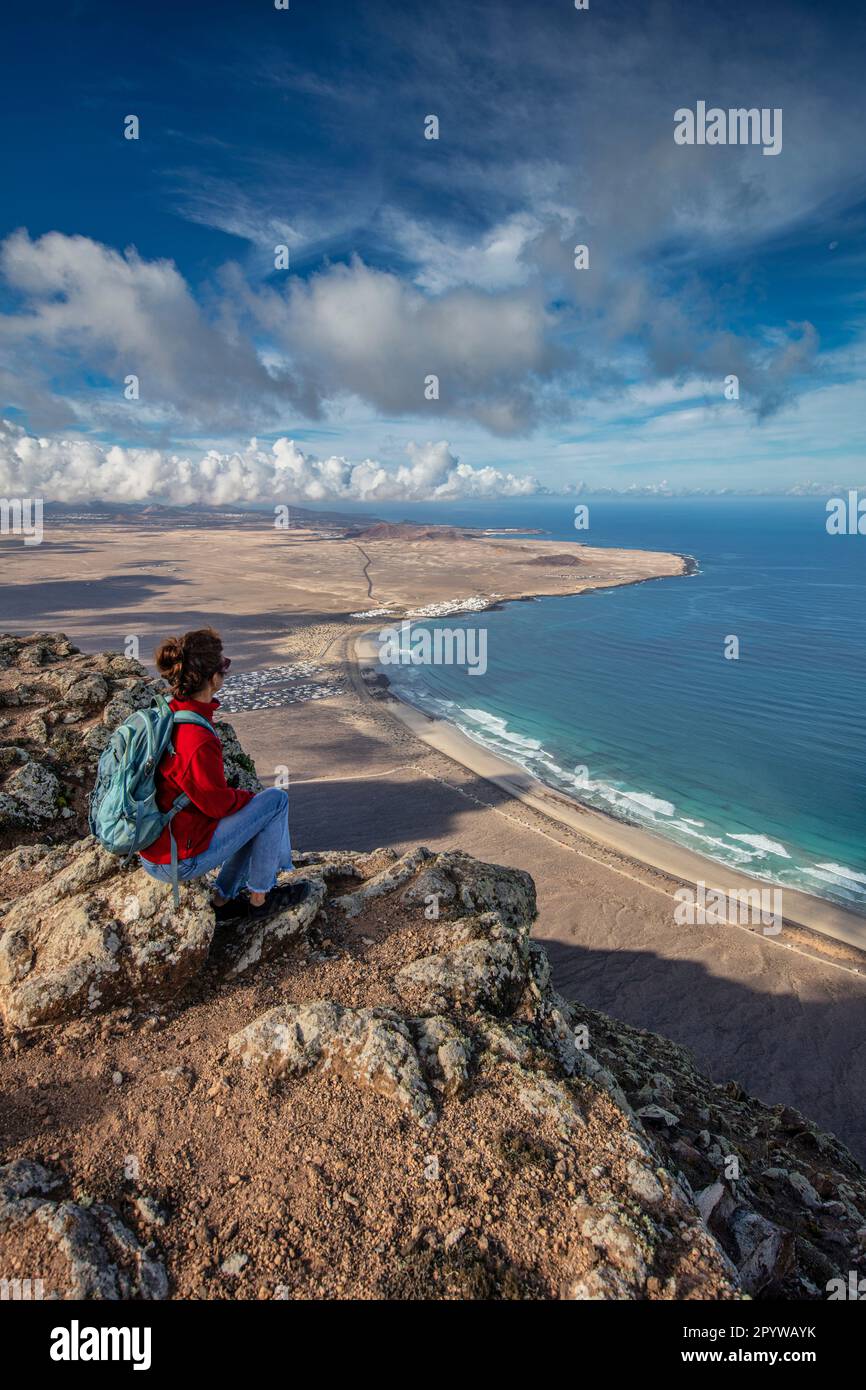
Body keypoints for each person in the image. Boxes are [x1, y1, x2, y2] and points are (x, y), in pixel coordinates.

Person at [138, 627, 300, 921]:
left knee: (256, 814)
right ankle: (260, 899)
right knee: (275, 802)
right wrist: (246, 799)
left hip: (157, 847)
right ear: (212, 679)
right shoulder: (197, 738)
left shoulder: (169, 713)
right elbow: (216, 805)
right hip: (177, 860)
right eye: (222, 667)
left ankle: (222, 899)